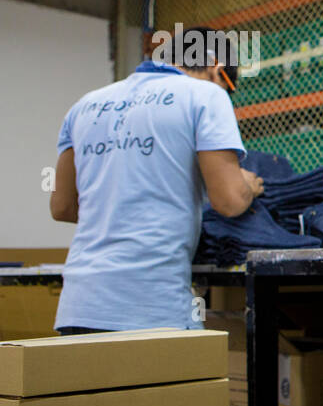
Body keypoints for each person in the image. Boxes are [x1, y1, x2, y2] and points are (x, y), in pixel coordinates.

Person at [49, 26, 264, 334]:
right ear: (217, 69)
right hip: (152, 309)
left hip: (79, 307)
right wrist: (247, 186)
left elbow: (62, 207)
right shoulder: (207, 96)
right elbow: (229, 201)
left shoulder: (84, 106)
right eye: (229, 88)